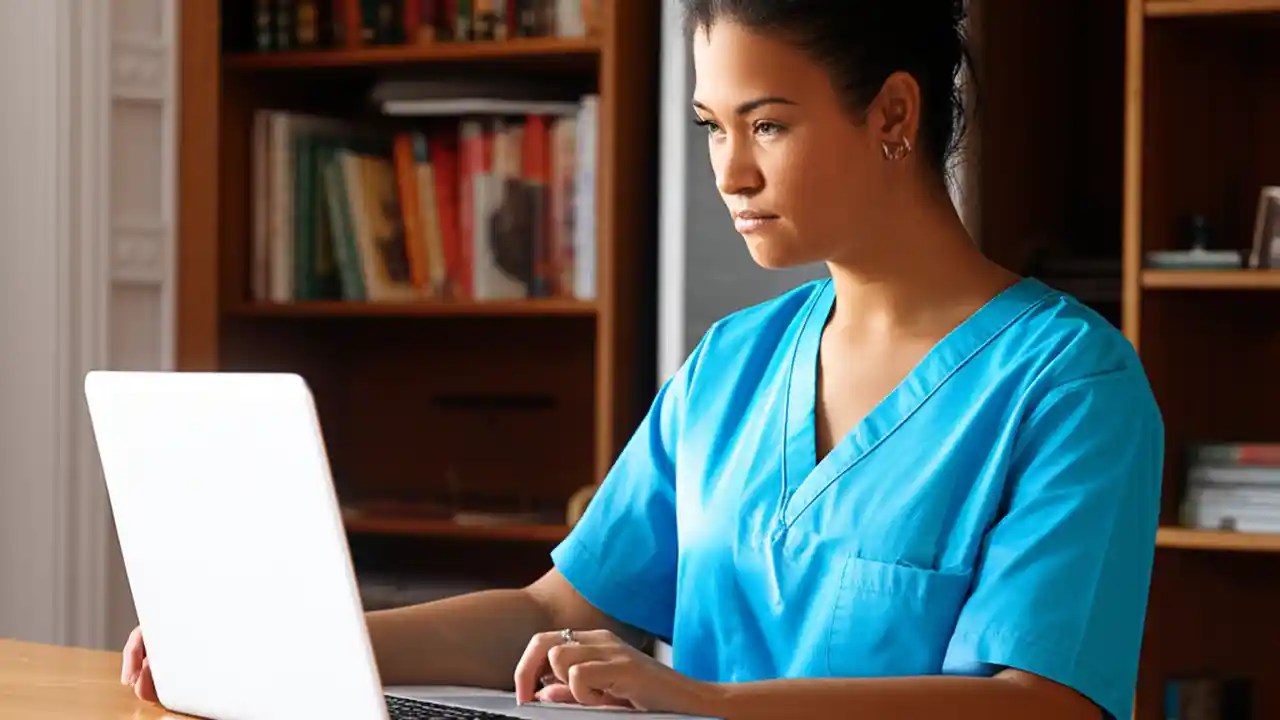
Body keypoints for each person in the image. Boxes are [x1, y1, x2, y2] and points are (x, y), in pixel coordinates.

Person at [122, 2, 1163, 718]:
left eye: (768, 124)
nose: (732, 172)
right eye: (713, 127)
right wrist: (279, 644)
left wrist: (699, 704)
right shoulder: (732, 362)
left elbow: (1041, 705)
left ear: (891, 113)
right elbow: (552, 613)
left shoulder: (1067, 386)